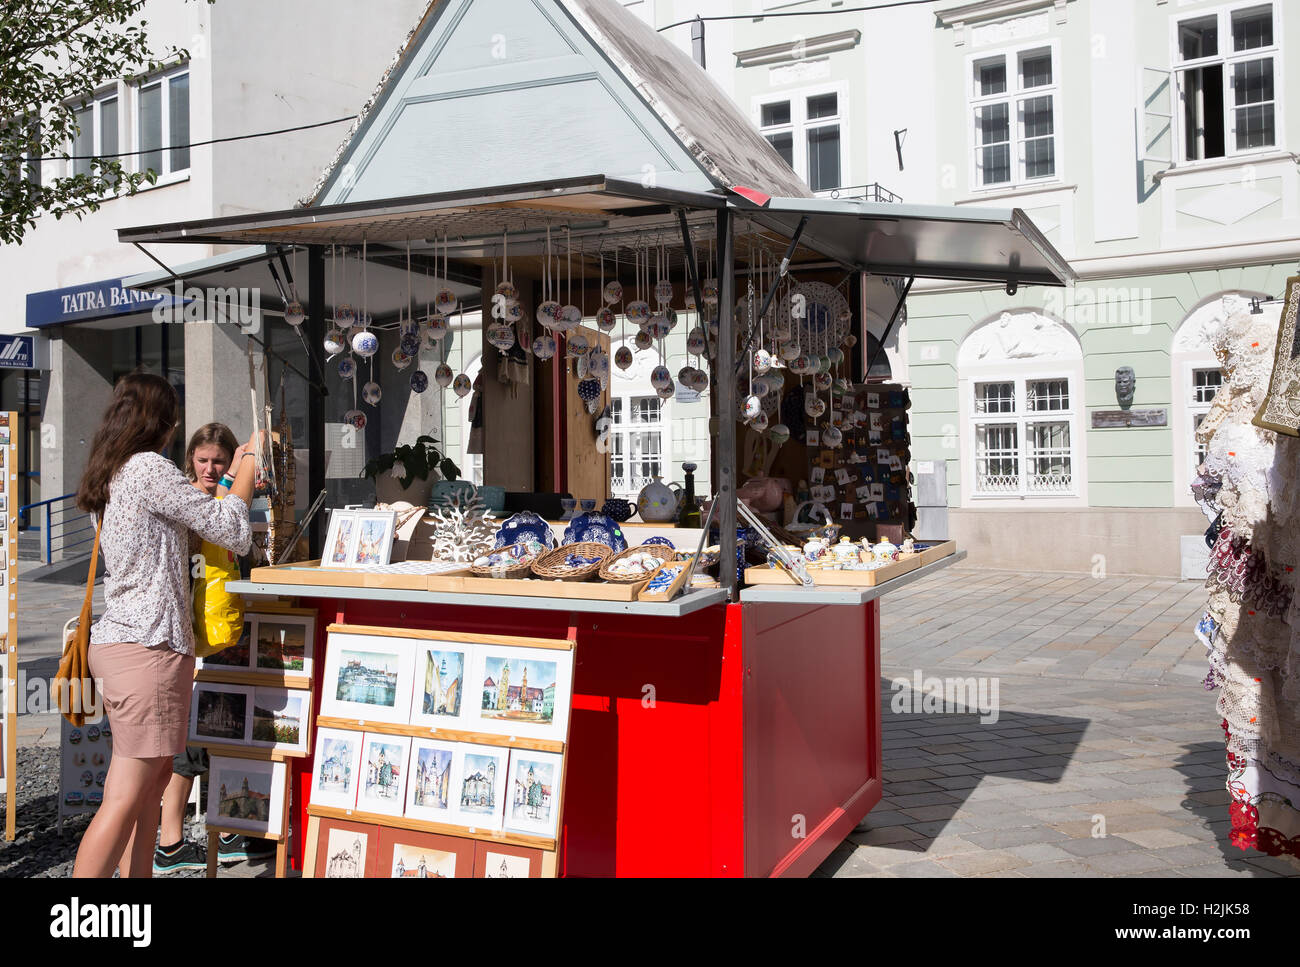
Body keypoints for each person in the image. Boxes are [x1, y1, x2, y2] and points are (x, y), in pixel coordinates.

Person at [72, 374, 256, 878]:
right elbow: (233, 531)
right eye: (172, 416)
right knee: (128, 794)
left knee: (148, 789)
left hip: (129, 641)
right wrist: (247, 466)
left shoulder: (112, 470)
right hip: (148, 644)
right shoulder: (149, 468)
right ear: (162, 420)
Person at [152, 423, 275, 874]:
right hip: (193, 634)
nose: (209, 468)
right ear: (191, 461)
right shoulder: (190, 499)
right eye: (202, 460)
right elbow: (221, 526)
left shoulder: (215, 498)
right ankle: (170, 841)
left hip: (216, 633)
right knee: (189, 745)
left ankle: (226, 832)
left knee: (223, 731)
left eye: (218, 461)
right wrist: (240, 470)